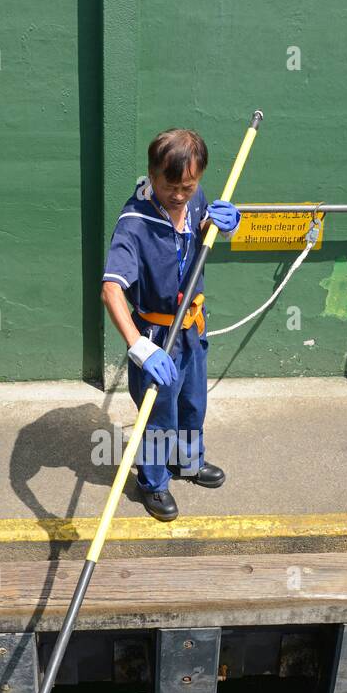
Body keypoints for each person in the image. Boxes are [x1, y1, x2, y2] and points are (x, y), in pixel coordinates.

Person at [101, 127, 241, 521]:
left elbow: (199, 235)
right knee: (158, 414)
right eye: (170, 186)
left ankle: (188, 463)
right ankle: (154, 482)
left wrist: (224, 224)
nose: (179, 195)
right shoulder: (134, 222)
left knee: (193, 403)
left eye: (189, 186)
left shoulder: (195, 200)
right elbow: (111, 290)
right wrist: (139, 347)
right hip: (156, 334)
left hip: (193, 327)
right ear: (152, 174)